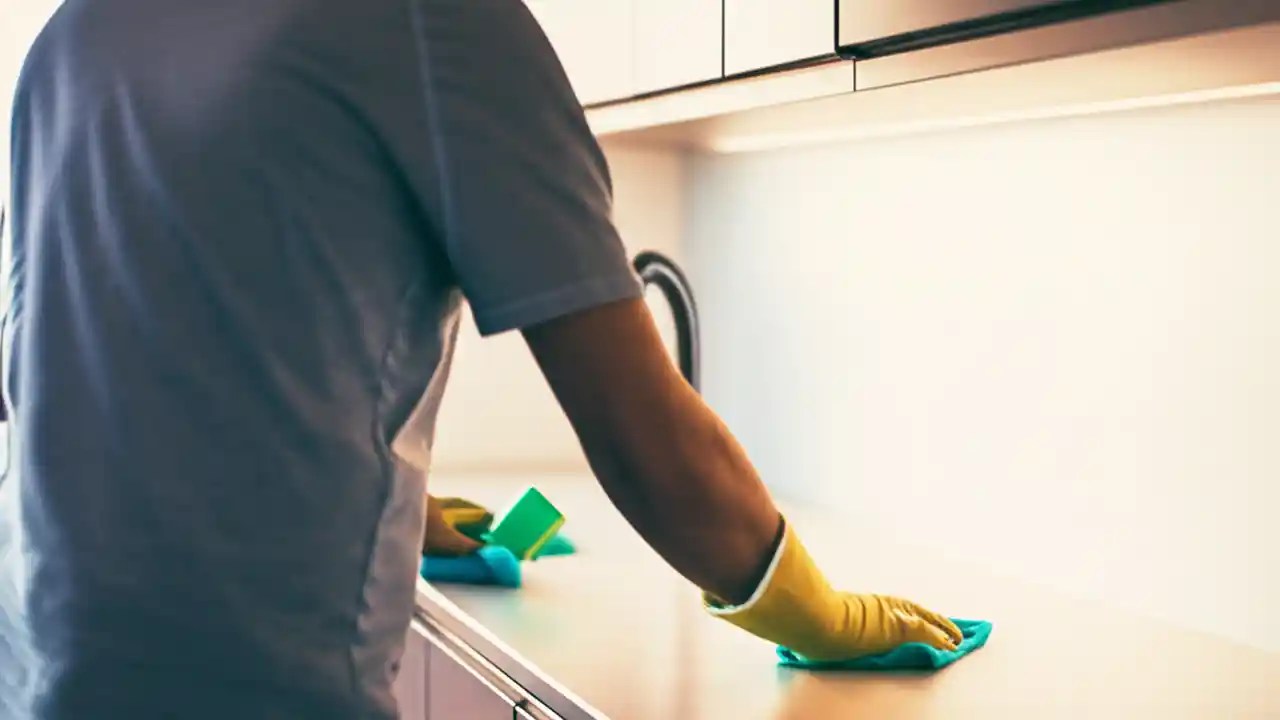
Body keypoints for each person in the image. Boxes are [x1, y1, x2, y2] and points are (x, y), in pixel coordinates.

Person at [0, 0, 960, 718]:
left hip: (44, 671)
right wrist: (813, 610)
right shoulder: (432, 19)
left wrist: (385, 507)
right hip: (252, 690)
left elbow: (73, 368)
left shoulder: (77, 33)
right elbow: (648, 443)